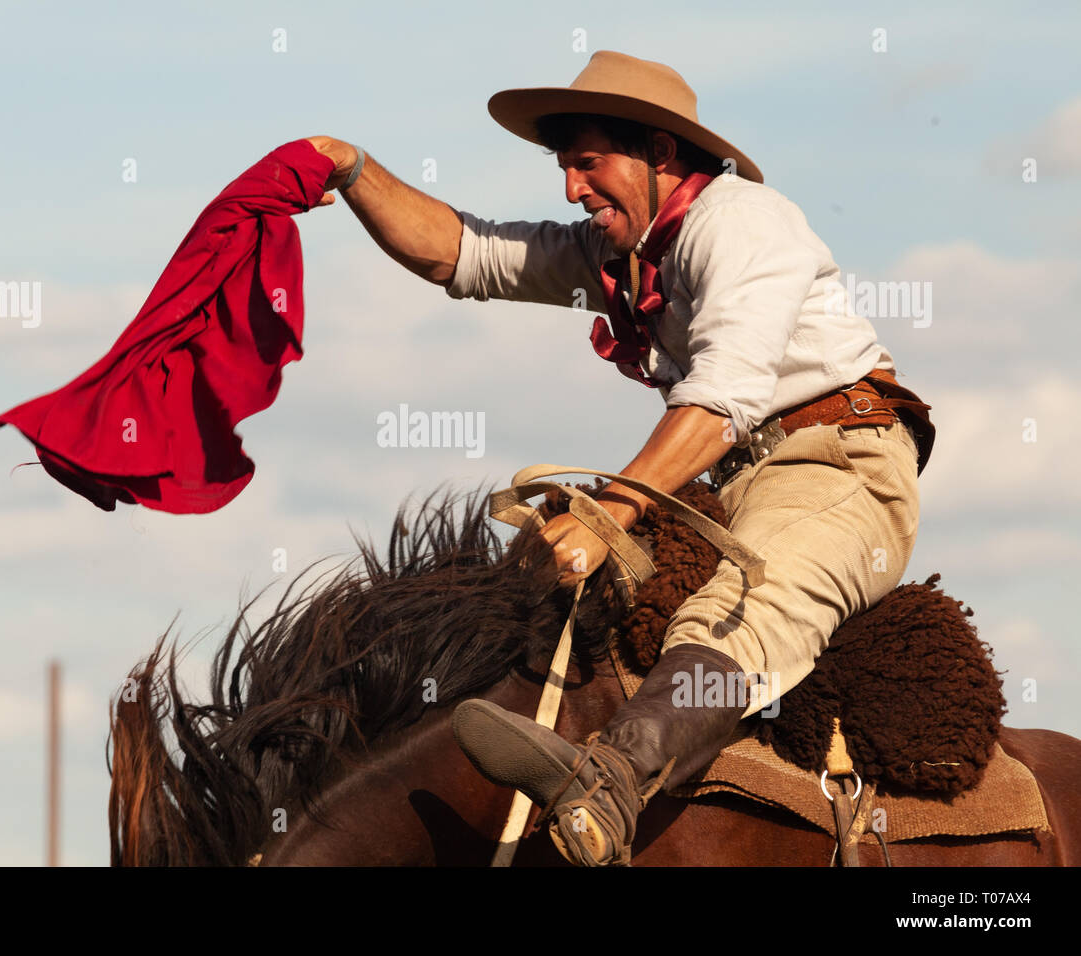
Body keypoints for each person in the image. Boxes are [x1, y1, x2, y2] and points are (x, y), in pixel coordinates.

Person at [307, 50, 934, 867]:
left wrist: (611, 510)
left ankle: (608, 789)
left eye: (589, 163)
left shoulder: (741, 220)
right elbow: (457, 253)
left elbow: (723, 396)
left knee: (745, 611)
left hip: (839, 464)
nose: (572, 189)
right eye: (564, 168)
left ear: (660, 154)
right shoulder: (622, 255)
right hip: (730, 478)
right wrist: (350, 168)